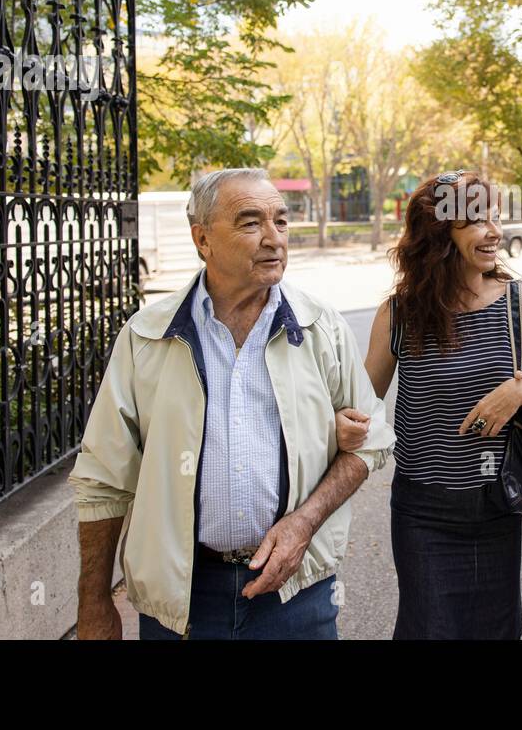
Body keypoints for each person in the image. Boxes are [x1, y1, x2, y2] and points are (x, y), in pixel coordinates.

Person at [69, 168, 395, 639]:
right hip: (182, 601)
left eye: (281, 222)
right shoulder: (147, 337)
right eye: (250, 223)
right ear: (202, 239)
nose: (273, 238)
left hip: (294, 593)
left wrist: (304, 523)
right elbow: (103, 481)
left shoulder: (321, 327)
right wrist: (94, 599)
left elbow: (371, 441)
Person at [350, 170, 522, 639]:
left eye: (496, 217)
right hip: (424, 511)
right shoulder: (400, 314)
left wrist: (520, 391)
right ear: (438, 236)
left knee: (497, 631)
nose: (494, 231)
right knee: (430, 629)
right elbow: (361, 405)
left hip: (497, 503)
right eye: (477, 221)